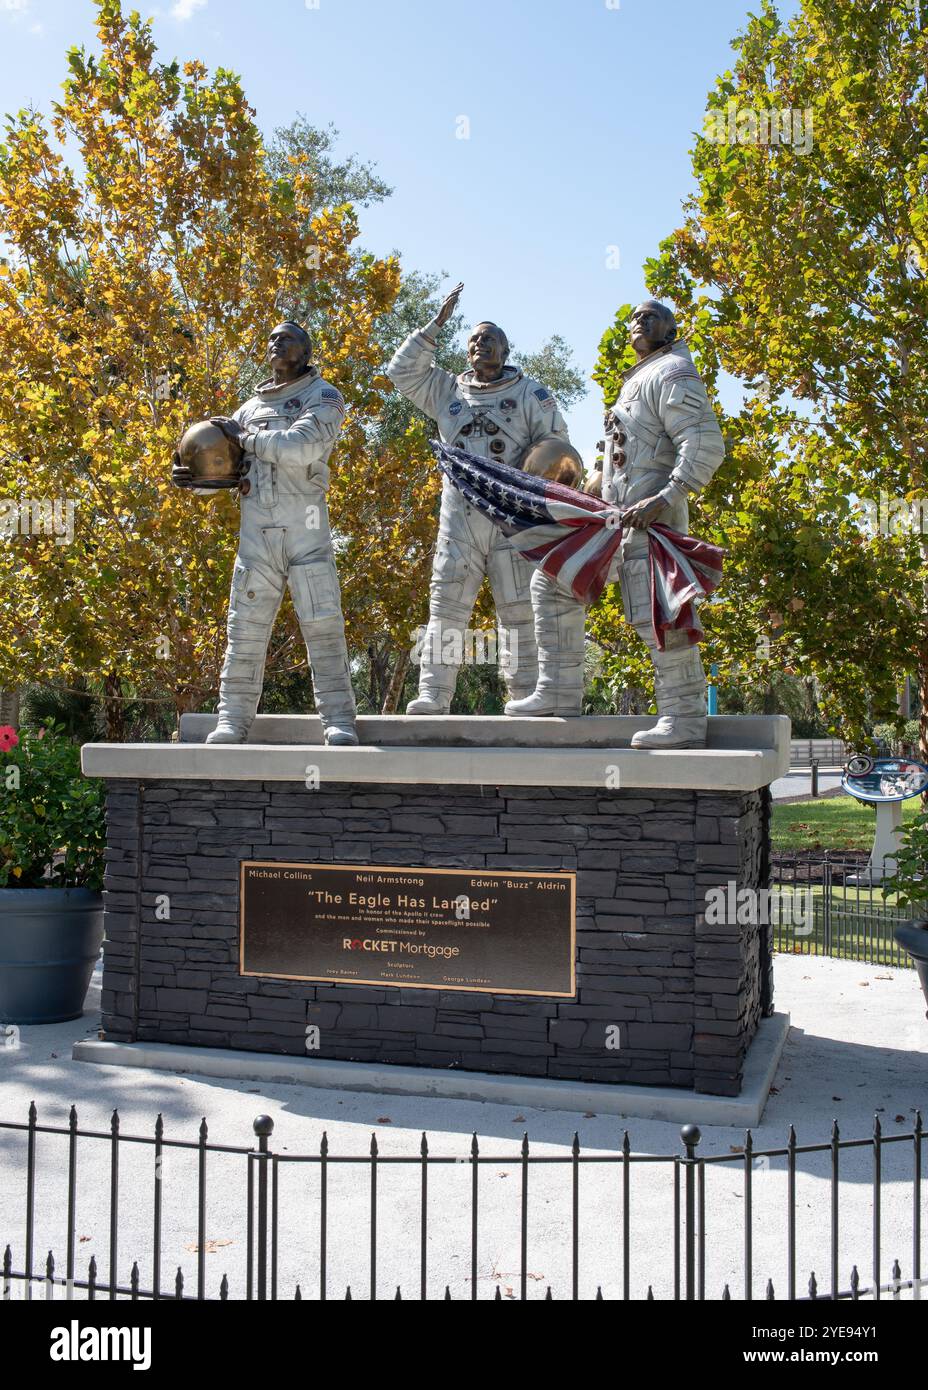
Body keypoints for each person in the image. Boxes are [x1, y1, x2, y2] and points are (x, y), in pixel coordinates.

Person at [387, 283, 586, 715]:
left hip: (511, 519)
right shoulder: (445, 391)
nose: (481, 344)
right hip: (459, 520)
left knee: (518, 611)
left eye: (489, 338)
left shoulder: (529, 393)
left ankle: (526, 696)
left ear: (505, 348)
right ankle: (433, 696)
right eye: (474, 339)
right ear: (466, 351)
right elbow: (400, 372)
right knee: (445, 607)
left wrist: (543, 501)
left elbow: (558, 448)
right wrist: (435, 324)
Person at [175, 320, 358, 746]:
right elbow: (228, 471)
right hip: (257, 539)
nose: (277, 343)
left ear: (306, 351)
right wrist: (193, 474)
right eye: (272, 338)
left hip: (306, 536)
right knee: (244, 632)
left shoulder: (324, 397)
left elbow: (302, 446)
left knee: (323, 626)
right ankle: (232, 721)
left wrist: (245, 437)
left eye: (288, 337)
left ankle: (339, 720)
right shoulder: (248, 410)